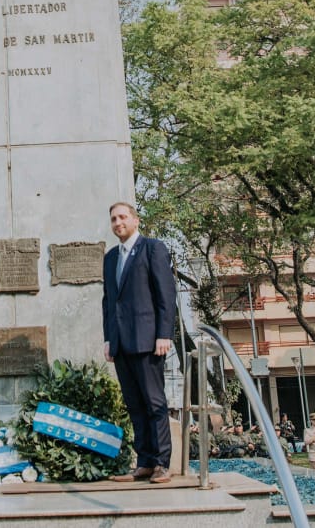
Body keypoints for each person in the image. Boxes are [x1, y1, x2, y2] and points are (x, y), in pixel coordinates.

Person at [101, 201, 175, 485]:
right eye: (113, 219)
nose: (118, 223)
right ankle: (144, 462)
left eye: (122, 217)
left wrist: (164, 334)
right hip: (121, 343)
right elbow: (109, 301)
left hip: (148, 341)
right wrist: (109, 338)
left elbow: (165, 294)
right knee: (135, 405)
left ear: (135, 220)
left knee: (154, 403)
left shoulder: (152, 248)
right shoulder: (111, 257)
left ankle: (161, 463)